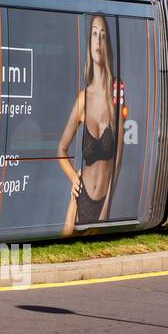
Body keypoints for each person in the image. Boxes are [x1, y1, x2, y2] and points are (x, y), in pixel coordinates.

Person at [57, 14, 123, 235]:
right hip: (80, 200)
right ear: (89, 43)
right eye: (94, 34)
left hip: (103, 200)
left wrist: (106, 208)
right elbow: (61, 150)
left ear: (107, 45)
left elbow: (118, 160)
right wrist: (73, 178)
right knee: (66, 259)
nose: (98, 40)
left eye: (103, 36)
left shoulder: (116, 93)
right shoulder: (83, 99)